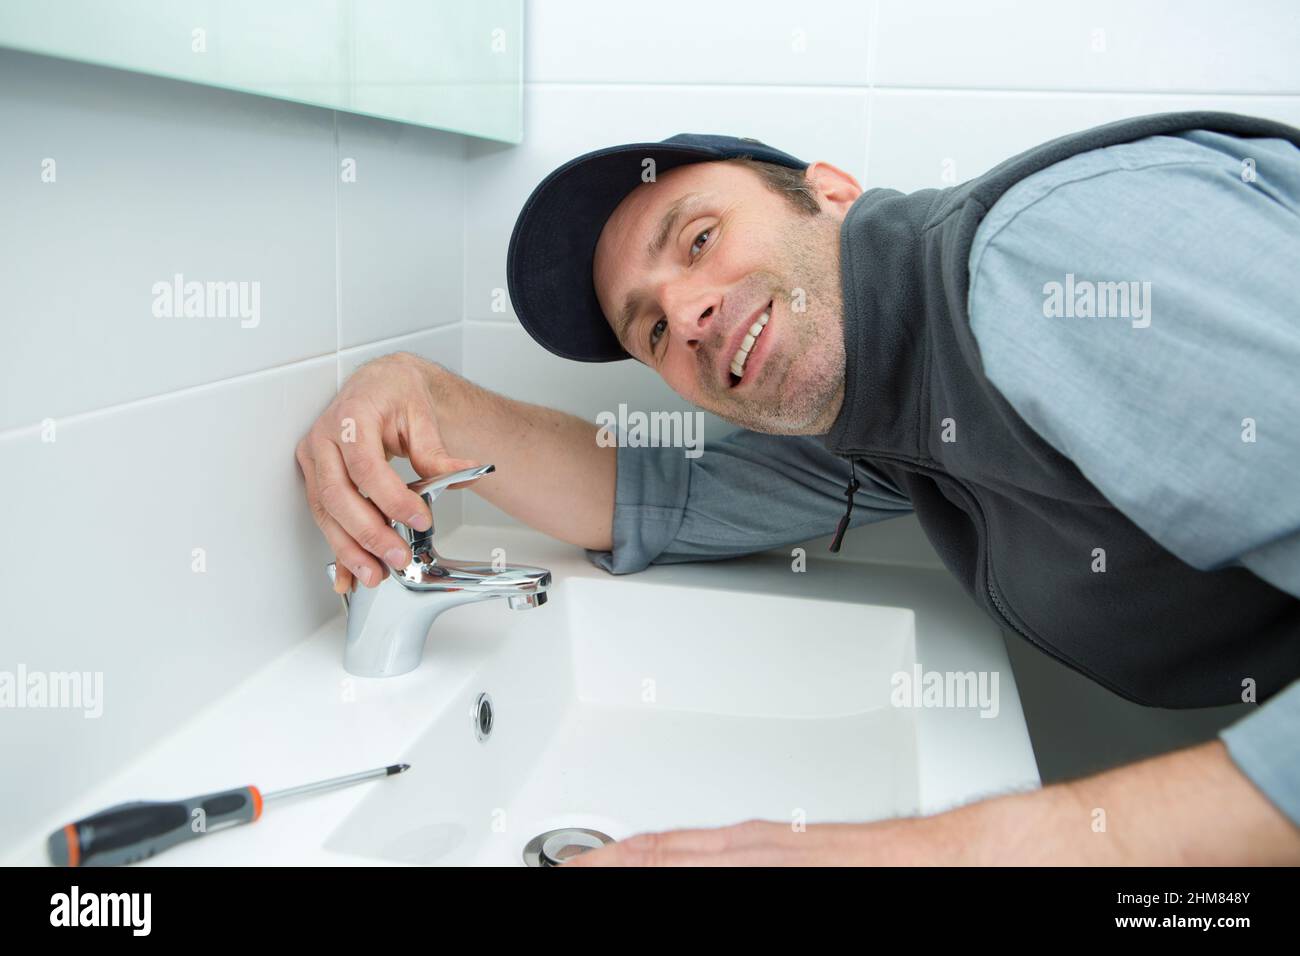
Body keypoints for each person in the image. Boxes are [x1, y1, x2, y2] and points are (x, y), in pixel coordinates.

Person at [297, 112, 1300, 865]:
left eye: (695, 240)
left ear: (829, 189)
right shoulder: (884, 410)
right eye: (651, 331)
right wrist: (421, 396)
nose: (685, 313)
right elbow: (653, 495)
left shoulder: (1041, 260)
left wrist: (913, 851)